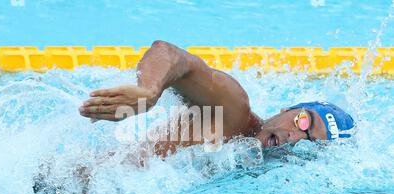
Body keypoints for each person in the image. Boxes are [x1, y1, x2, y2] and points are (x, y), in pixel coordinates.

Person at [79, 41, 355, 157]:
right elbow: (170, 54)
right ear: (287, 109)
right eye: (304, 122)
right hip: (70, 189)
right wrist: (149, 92)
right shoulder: (232, 111)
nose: (294, 136)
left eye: (309, 141)